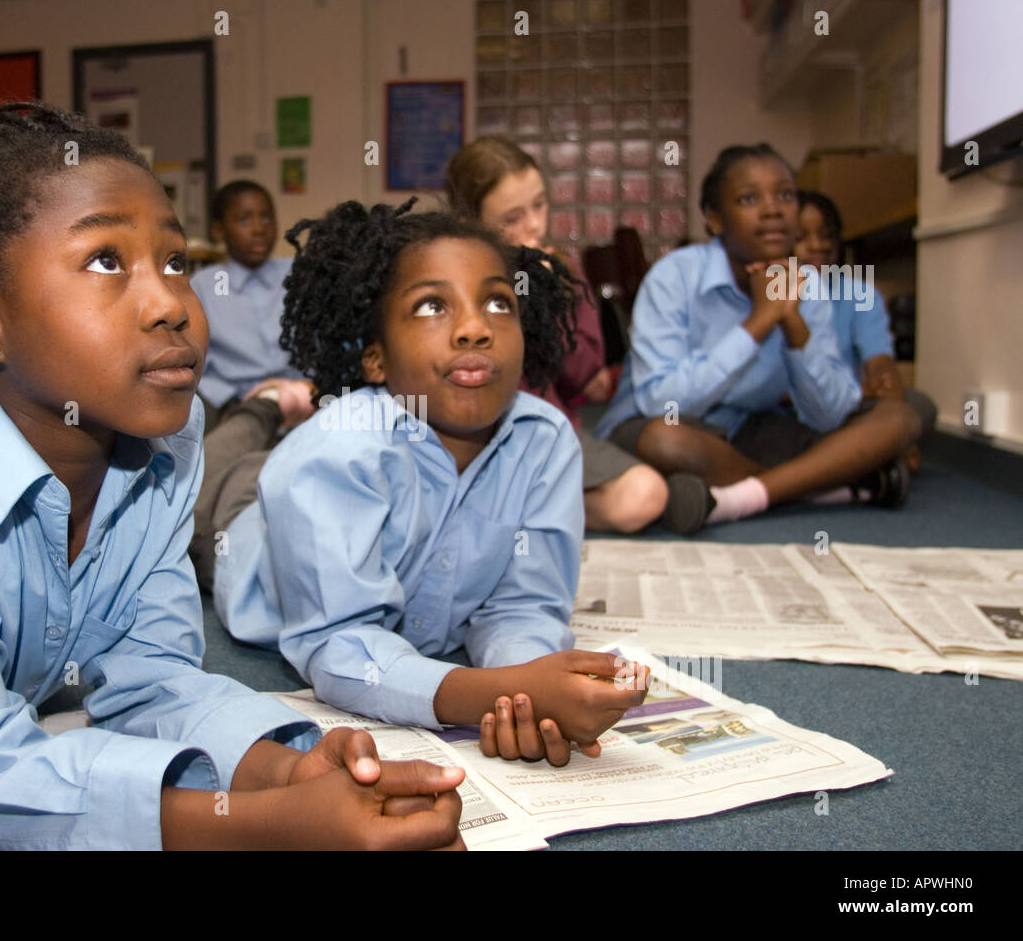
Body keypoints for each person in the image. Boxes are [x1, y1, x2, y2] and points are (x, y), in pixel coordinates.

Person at [0, 103, 464, 851]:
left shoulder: (168, 437)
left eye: (175, 261)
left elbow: (152, 673)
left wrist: (286, 771)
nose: (171, 304)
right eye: (106, 261)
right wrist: (263, 827)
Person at [208, 199, 651, 768]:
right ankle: (264, 408)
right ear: (375, 359)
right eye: (431, 306)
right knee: (216, 467)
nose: (474, 328)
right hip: (235, 526)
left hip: (313, 468)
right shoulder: (330, 458)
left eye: (498, 302)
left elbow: (524, 606)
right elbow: (343, 646)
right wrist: (483, 692)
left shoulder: (544, 442)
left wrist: (526, 690)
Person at [594, 143, 922, 525]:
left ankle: (737, 498)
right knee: (665, 441)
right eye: (749, 198)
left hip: (750, 428)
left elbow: (831, 416)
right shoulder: (673, 276)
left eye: (786, 195)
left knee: (898, 418)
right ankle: (829, 485)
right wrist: (759, 323)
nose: (773, 210)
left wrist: (794, 326)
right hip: (662, 424)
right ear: (715, 219)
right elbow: (660, 400)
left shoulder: (807, 285)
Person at [445, 136, 708, 535]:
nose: (534, 224)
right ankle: (517, 508)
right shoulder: (450, 279)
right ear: (472, 223)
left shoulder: (564, 276)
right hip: (471, 438)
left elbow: (581, 374)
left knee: (644, 495)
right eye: (511, 218)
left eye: (539, 204)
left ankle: (507, 511)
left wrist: (548, 307)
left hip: (548, 433)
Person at [795, 189, 937, 462]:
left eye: (826, 235)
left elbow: (880, 365)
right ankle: (860, 459)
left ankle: (859, 453)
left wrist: (898, 430)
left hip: (852, 411)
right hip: (794, 413)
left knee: (919, 406)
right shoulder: (769, 293)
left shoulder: (859, 294)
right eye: (801, 238)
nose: (817, 246)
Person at [189, 180, 313, 430]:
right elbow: (197, 360)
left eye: (266, 218)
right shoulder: (204, 286)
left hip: (305, 397)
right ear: (218, 231)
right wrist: (227, 401)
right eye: (244, 220)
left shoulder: (298, 273)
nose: (258, 229)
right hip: (237, 404)